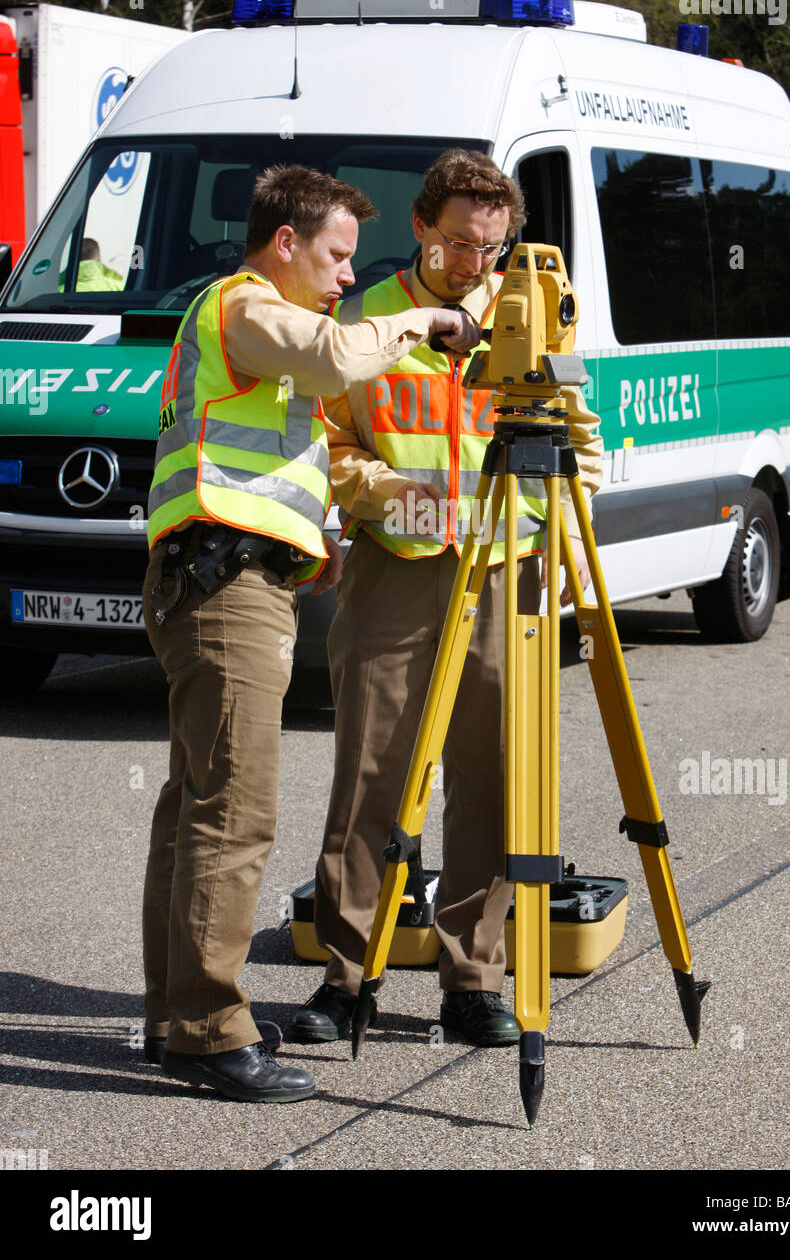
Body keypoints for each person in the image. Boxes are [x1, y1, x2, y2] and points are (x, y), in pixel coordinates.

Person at [141, 164, 483, 1103]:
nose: (343, 278)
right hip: (222, 582)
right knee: (233, 814)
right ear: (283, 242)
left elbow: (280, 447)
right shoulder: (243, 304)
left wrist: (312, 529)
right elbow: (337, 358)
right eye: (334, 257)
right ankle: (209, 1030)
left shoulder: (251, 331)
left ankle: (174, 1018)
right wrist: (420, 322)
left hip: (229, 571)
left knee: (192, 810)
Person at [290, 150, 604, 1048]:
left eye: (494, 248)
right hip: (399, 567)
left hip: (507, 566)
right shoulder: (363, 324)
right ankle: (348, 978)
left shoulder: (524, 314)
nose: (478, 266)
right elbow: (327, 446)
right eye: (463, 246)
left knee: (497, 779)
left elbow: (575, 434)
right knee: (370, 781)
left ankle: (474, 979)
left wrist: (572, 529)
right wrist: (384, 493)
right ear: (423, 227)